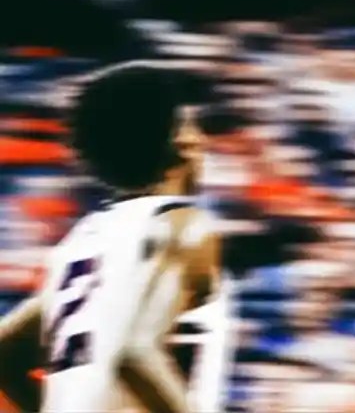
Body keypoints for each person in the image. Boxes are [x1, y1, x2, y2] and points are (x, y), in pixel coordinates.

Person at [0, 63, 228, 413]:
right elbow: (135, 351)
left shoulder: (82, 244)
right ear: (183, 141)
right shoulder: (183, 225)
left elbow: (5, 355)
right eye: (194, 124)